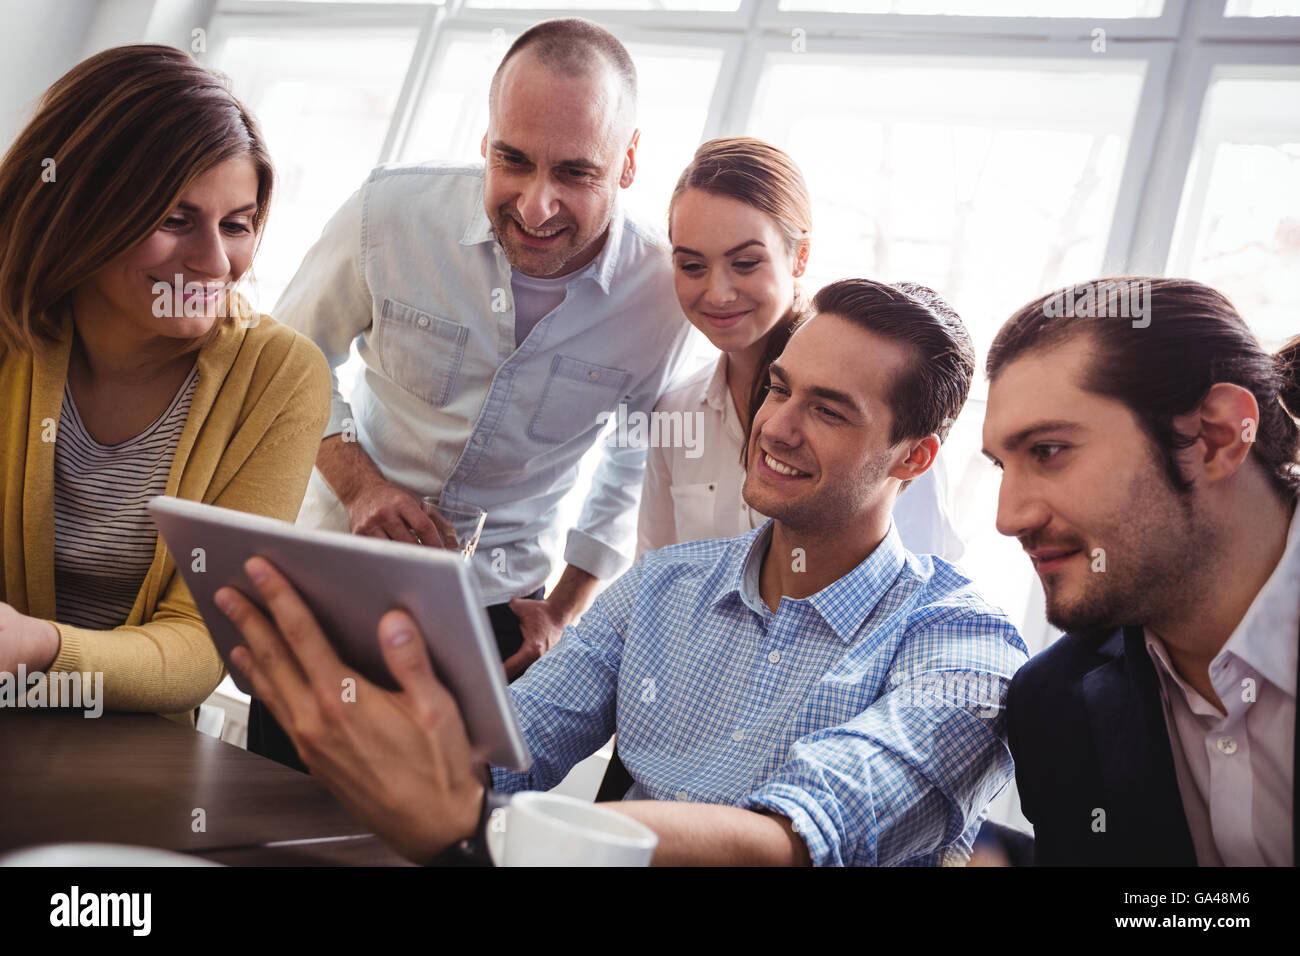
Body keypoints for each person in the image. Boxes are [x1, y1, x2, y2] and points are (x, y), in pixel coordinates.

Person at [216, 278, 1028, 866]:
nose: (775, 427)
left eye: (828, 409)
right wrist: (382, 715)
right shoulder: (663, 589)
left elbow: (803, 834)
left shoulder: (967, 648)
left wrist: (472, 818)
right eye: (779, 388)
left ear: (915, 457)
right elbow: (506, 749)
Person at [0, 45, 331, 724]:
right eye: (174, 220)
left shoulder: (279, 378)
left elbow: (199, 644)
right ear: (82, 212)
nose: (214, 262)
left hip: (132, 757)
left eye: (236, 225)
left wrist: (38, 648)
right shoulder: (11, 333)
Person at [983, 276, 1299, 865]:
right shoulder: (1053, 706)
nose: (1009, 517)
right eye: (1002, 464)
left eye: (1047, 452)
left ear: (1216, 436)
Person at [638, 137, 963, 561]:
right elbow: (652, 574)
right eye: (692, 266)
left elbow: (925, 580)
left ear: (800, 256)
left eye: (746, 263)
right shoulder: (676, 411)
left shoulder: (885, 409)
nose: (717, 293)